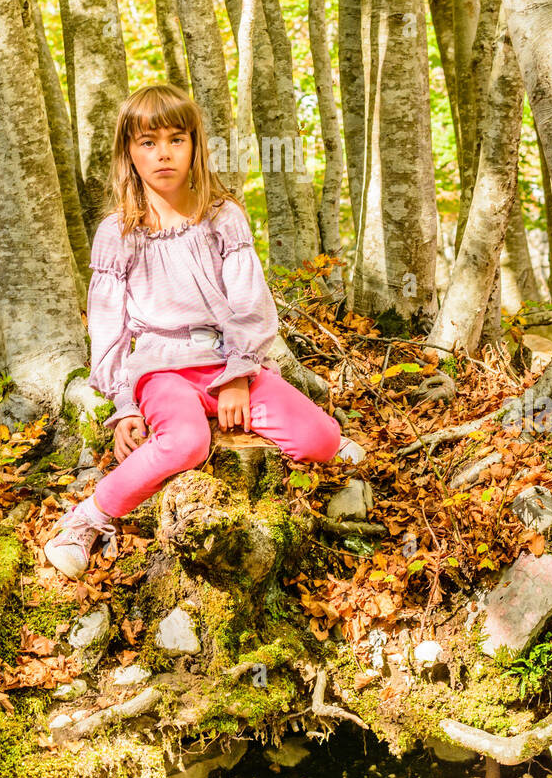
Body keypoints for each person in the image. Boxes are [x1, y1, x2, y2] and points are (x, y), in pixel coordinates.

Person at [45, 83, 361, 579]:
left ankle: (245, 413)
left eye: (176, 139)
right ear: (129, 152)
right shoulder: (118, 232)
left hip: (225, 360)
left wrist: (237, 375)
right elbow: (109, 329)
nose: (163, 153)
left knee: (322, 440)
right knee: (187, 442)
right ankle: (88, 519)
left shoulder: (222, 218)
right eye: (147, 143)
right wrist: (124, 407)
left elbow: (250, 305)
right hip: (160, 369)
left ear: (195, 146)